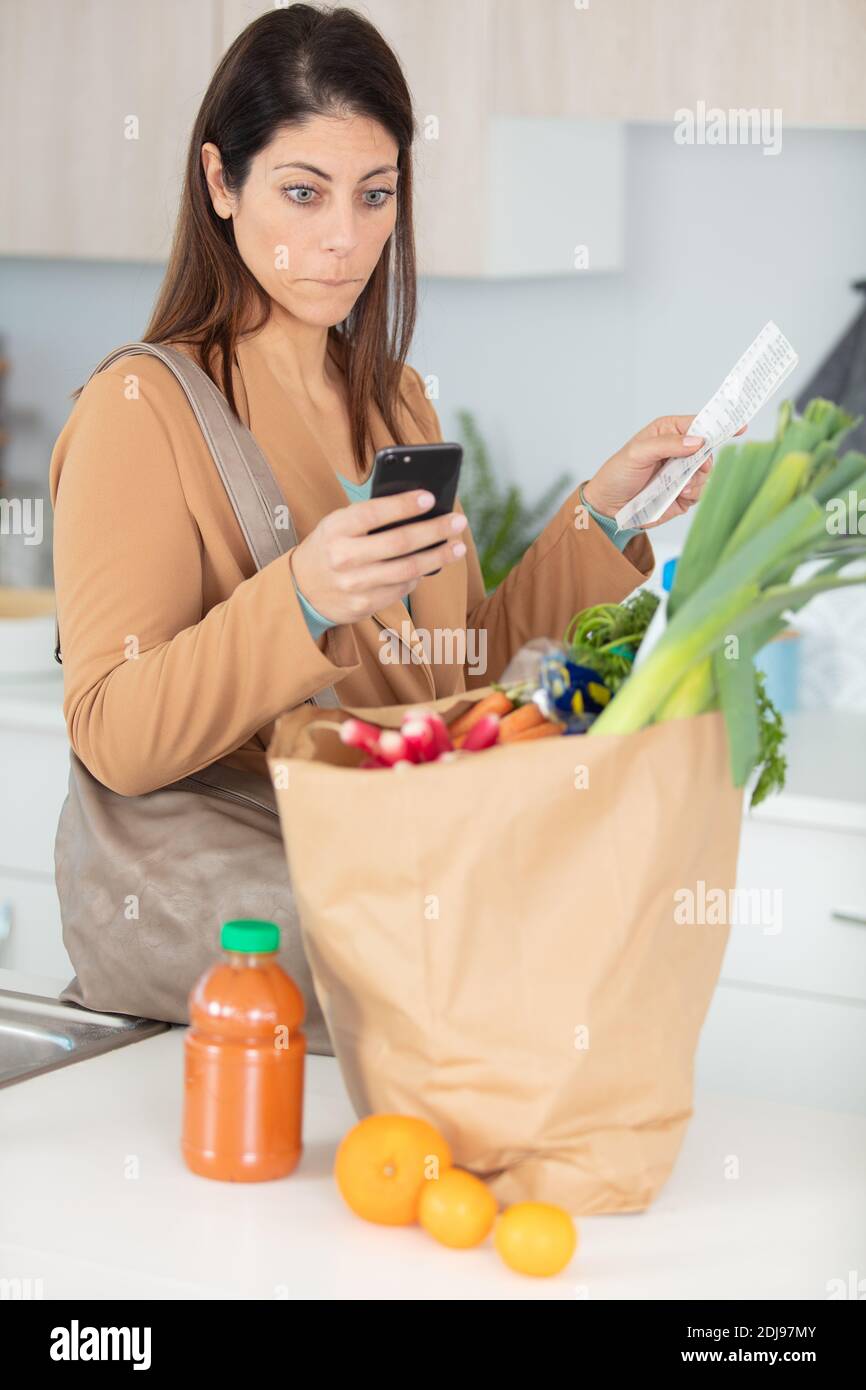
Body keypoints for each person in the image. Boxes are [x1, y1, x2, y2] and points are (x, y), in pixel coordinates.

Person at [49, 4, 714, 800]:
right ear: (221, 182)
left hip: (399, 892)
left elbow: (458, 670)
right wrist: (301, 599)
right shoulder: (139, 409)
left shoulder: (394, 401)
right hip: (254, 907)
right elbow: (114, 736)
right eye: (304, 194)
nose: (346, 238)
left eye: (375, 195)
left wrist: (605, 516)